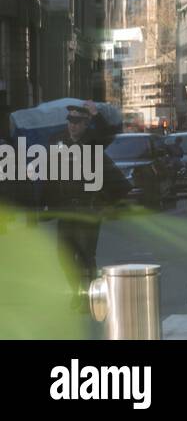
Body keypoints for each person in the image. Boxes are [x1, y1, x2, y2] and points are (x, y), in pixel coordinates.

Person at [47, 104, 129, 297]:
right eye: (70, 120)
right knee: (63, 255)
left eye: (77, 121)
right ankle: (77, 291)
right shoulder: (60, 141)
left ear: (86, 124)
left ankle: (89, 296)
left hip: (87, 208)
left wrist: (96, 114)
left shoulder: (93, 143)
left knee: (85, 256)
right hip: (66, 209)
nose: (72, 125)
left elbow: (108, 133)